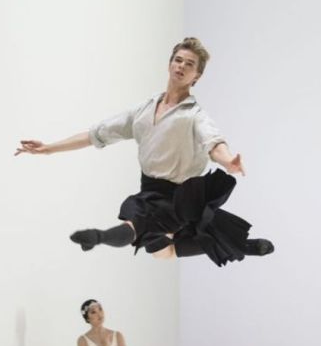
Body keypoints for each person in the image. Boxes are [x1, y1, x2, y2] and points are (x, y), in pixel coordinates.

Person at [15, 37, 274, 267]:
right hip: (149, 189)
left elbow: (214, 143)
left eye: (189, 64)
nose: (181, 66)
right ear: (170, 64)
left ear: (197, 76)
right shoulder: (143, 111)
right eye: (178, 60)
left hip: (179, 196)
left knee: (137, 224)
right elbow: (95, 134)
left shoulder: (195, 115)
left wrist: (228, 160)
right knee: (163, 253)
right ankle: (244, 247)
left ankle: (99, 236)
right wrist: (49, 148)